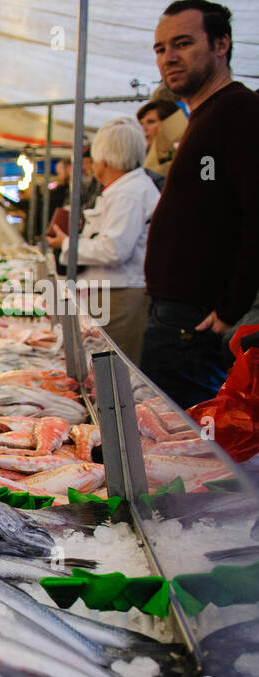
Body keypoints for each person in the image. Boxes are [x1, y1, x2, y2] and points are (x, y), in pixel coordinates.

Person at [141, 0, 259, 408]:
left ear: (221, 44)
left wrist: (230, 309)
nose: (169, 57)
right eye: (160, 48)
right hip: (178, 317)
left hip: (195, 323)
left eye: (183, 43)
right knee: (166, 431)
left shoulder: (238, 110)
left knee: (182, 437)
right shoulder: (204, 115)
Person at [45, 118, 161, 363]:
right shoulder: (124, 189)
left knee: (113, 369)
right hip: (110, 291)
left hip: (119, 295)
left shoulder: (128, 193)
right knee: (101, 364)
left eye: (94, 159)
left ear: (105, 161)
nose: (92, 165)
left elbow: (114, 250)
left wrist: (66, 244)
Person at [137, 95, 189, 177]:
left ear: (170, 125)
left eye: (150, 122)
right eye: (141, 123)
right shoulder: (136, 161)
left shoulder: (189, 161)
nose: (143, 128)